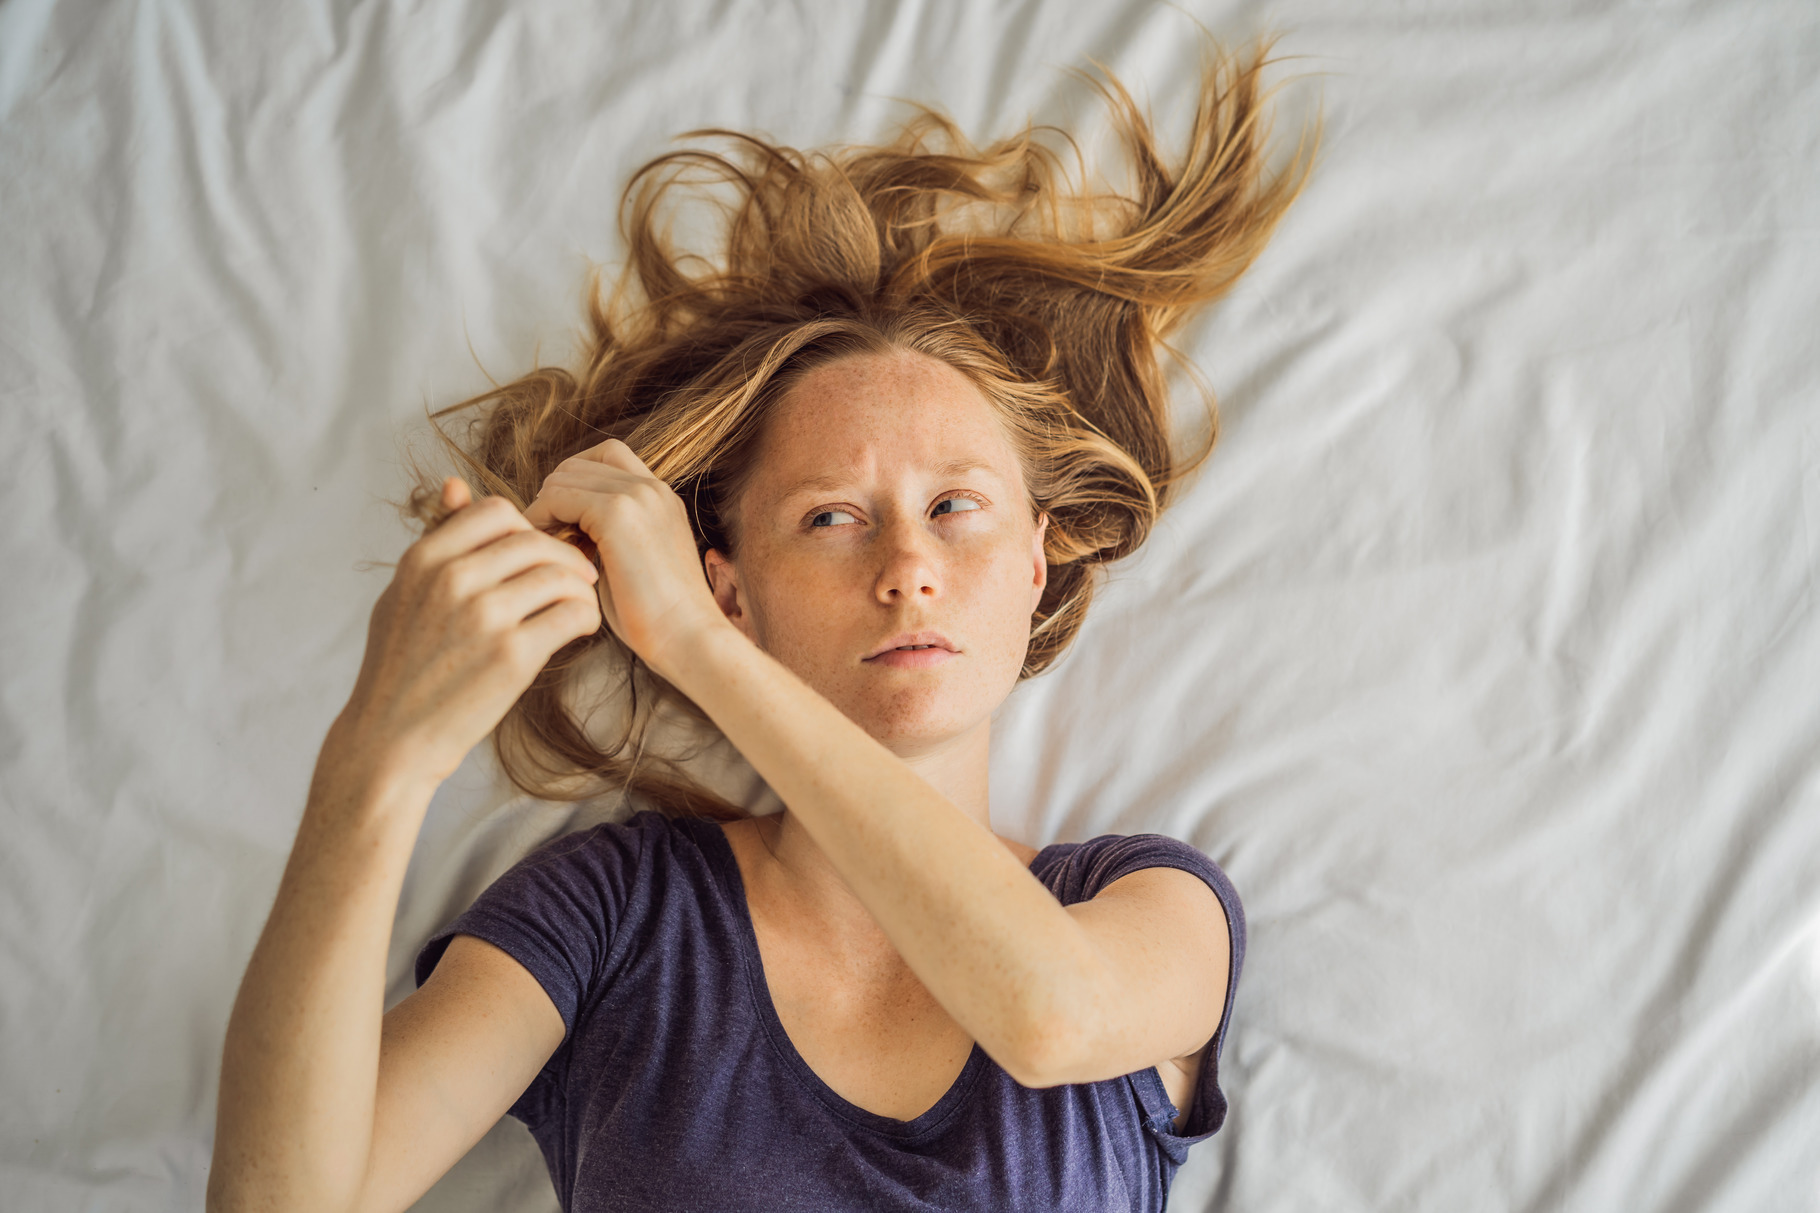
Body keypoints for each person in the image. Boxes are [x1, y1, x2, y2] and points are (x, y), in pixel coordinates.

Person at [208, 38, 1311, 1213]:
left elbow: (1049, 1015)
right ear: (732, 585)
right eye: (830, 518)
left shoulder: (1144, 902)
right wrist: (372, 765)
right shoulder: (615, 910)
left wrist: (687, 642)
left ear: (1035, 562)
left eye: (955, 509)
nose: (906, 569)